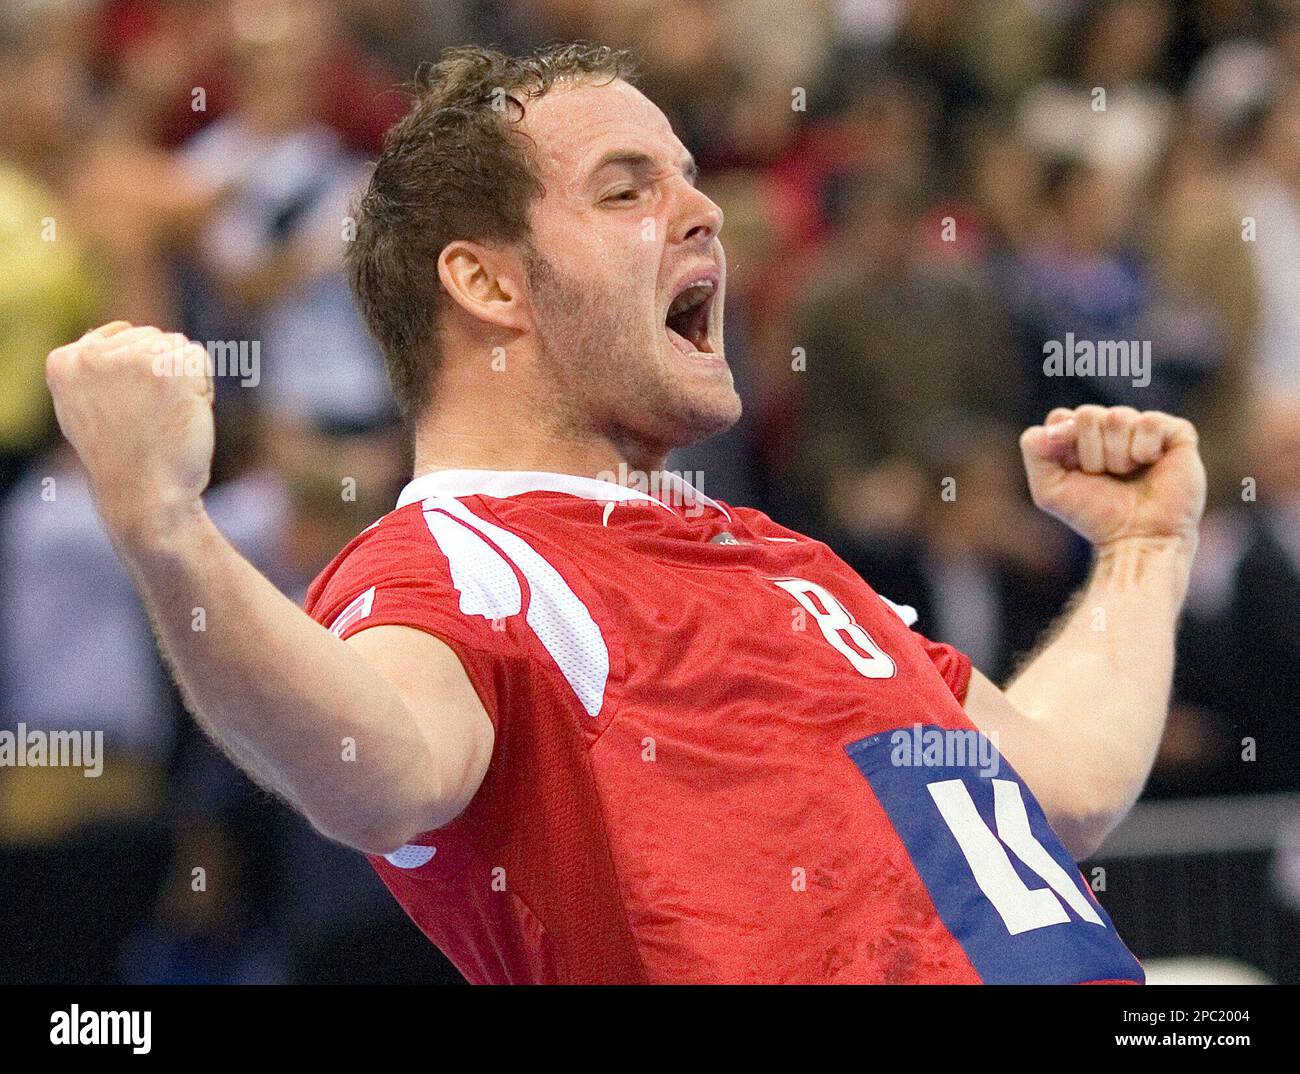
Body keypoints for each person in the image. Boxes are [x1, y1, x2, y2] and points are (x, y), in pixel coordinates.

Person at [44, 44, 1206, 984]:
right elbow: (376, 770)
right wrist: (166, 531)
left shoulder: (782, 561)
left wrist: (1144, 550)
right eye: (625, 188)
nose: (702, 210)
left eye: (688, 174)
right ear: (487, 285)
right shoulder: (458, 565)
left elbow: (1059, 785)